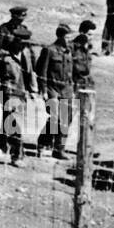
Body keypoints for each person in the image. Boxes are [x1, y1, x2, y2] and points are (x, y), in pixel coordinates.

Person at [0, 27, 37, 166]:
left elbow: (30, 73)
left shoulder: (26, 54)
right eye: (22, 43)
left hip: (21, 93)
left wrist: (33, 91)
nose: (24, 45)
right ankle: (18, 155)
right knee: (15, 122)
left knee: (8, 120)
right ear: (16, 41)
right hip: (8, 92)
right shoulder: (3, 55)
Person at [36, 24, 76, 159]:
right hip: (52, 89)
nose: (69, 40)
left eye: (71, 37)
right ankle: (43, 144)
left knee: (66, 119)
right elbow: (41, 71)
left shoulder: (69, 51)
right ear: (60, 37)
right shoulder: (49, 50)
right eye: (67, 37)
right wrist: (44, 90)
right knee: (55, 118)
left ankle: (59, 149)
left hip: (67, 90)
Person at [0, 6, 30, 82]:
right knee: (2, 87)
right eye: (19, 18)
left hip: (20, 62)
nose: (22, 20)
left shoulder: (24, 29)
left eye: (23, 17)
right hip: (4, 64)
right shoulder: (3, 29)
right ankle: (0, 94)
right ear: (14, 16)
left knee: (20, 86)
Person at [71, 20, 97, 93]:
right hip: (72, 85)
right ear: (81, 33)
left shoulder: (88, 48)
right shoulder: (72, 47)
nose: (91, 38)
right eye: (89, 34)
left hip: (85, 85)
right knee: (67, 104)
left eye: (93, 35)